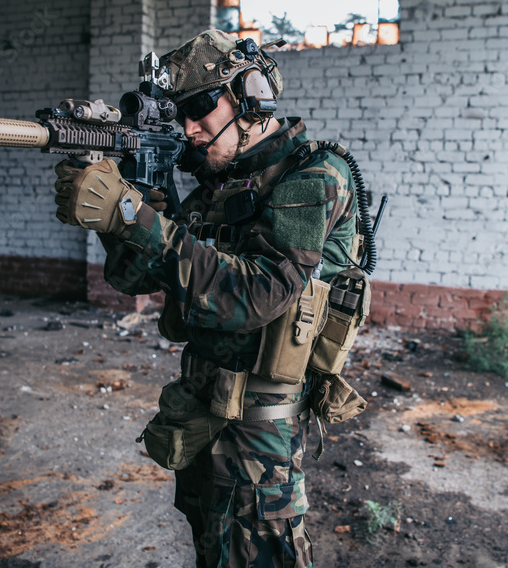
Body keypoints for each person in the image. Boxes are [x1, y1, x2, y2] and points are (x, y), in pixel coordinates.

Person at [53, 29, 370, 567]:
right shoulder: (216, 187)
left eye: (201, 107)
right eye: (180, 114)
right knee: (212, 550)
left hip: (259, 426)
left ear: (251, 96)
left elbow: (255, 295)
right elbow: (136, 276)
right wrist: (115, 201)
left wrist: (133, 215)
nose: (190, 129)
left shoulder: (313, 177)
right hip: (202, 405)